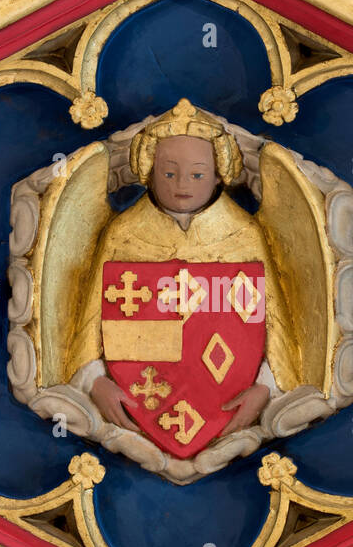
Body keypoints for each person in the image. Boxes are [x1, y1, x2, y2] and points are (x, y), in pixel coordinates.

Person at [67, 99, 297, 445]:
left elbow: (275, 323)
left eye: (197, 173)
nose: (182, 184)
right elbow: (88, 322)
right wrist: (94, 380)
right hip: (145, 398)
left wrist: (265, 387)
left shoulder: (245, 234)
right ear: (149, 173)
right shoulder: (123, 233)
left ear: (219, 173)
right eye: (169, 173)